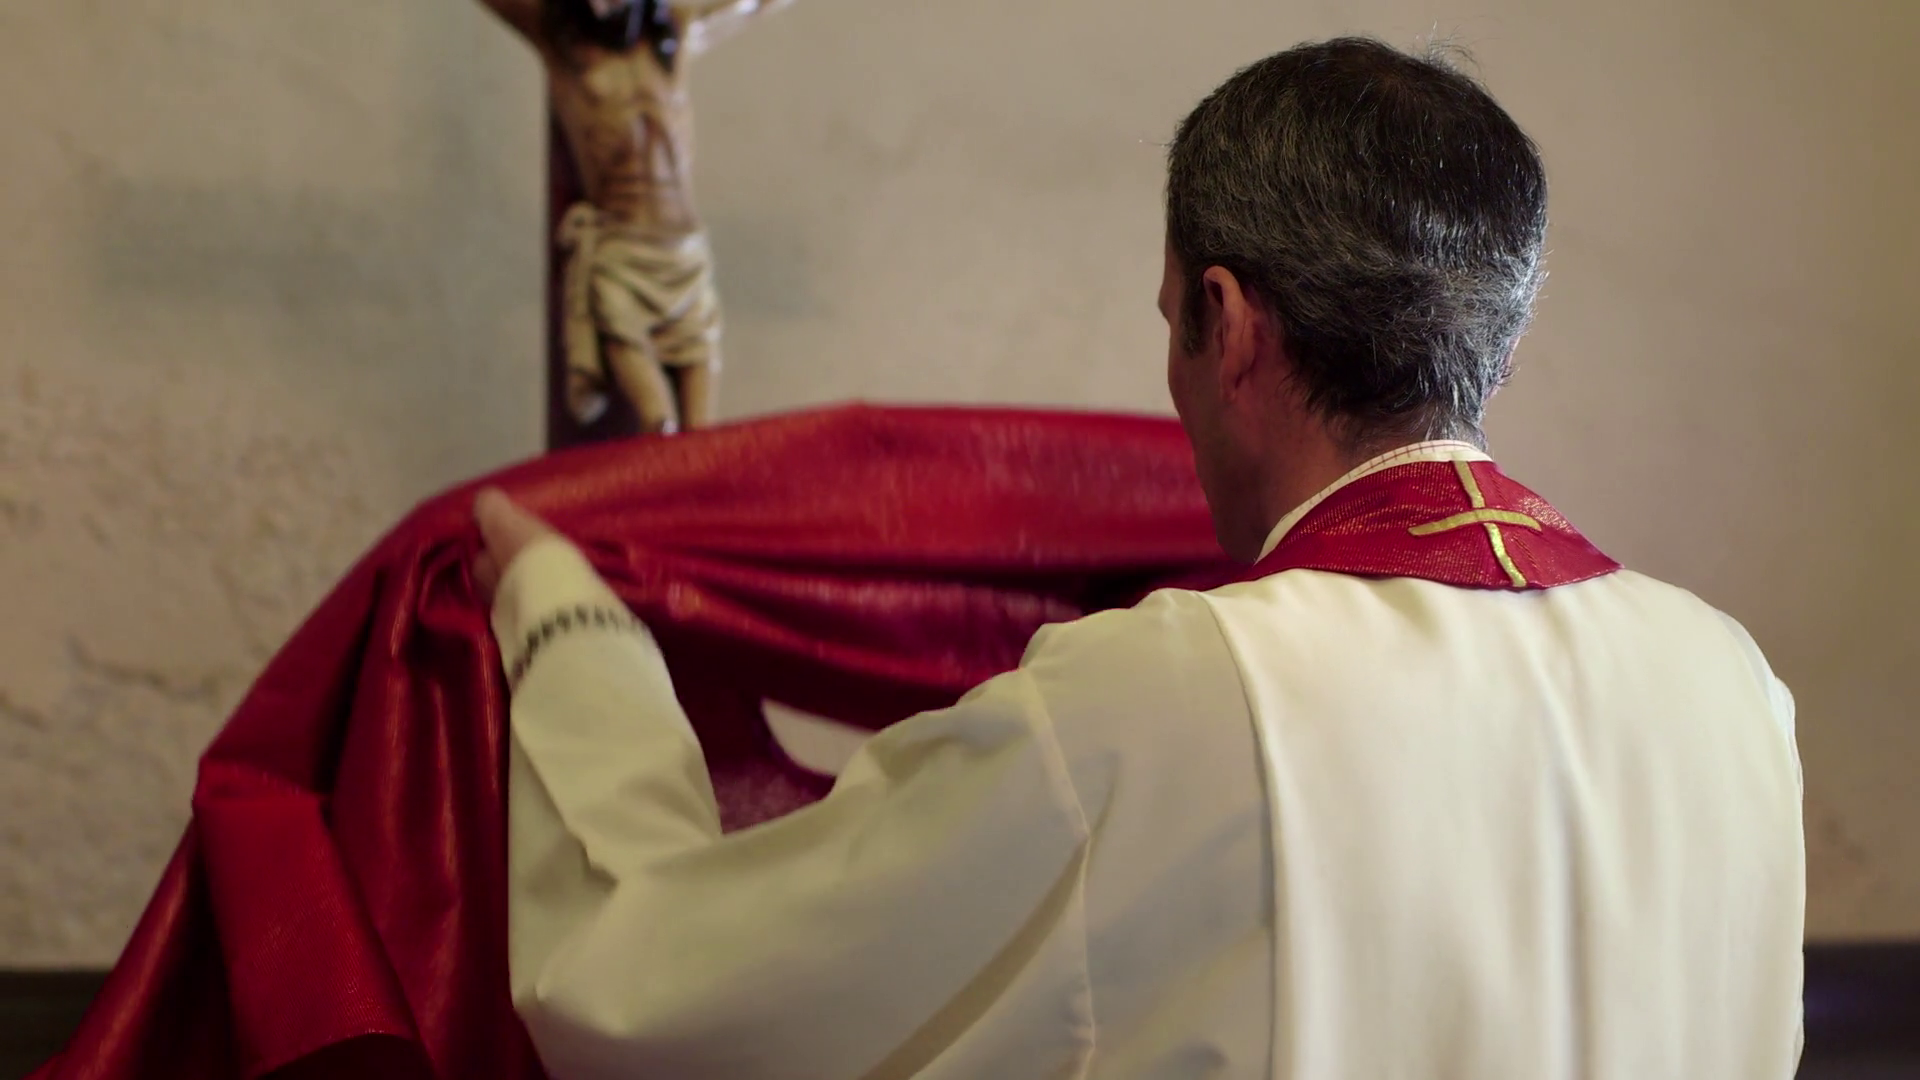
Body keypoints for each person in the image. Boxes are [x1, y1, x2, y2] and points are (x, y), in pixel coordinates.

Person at [471, 37, 1806, 1080]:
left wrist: (563, 623)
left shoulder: (1160, 702)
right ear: (1500, 346)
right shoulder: (1732, 686)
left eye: (1172, 320)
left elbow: (668, 995)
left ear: (1224, 323)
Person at [474, 0, 796, 433]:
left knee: (702, 435)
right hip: (622, 256)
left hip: (683, 252)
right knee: (658, 422)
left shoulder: (674, 31)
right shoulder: (562, 42)